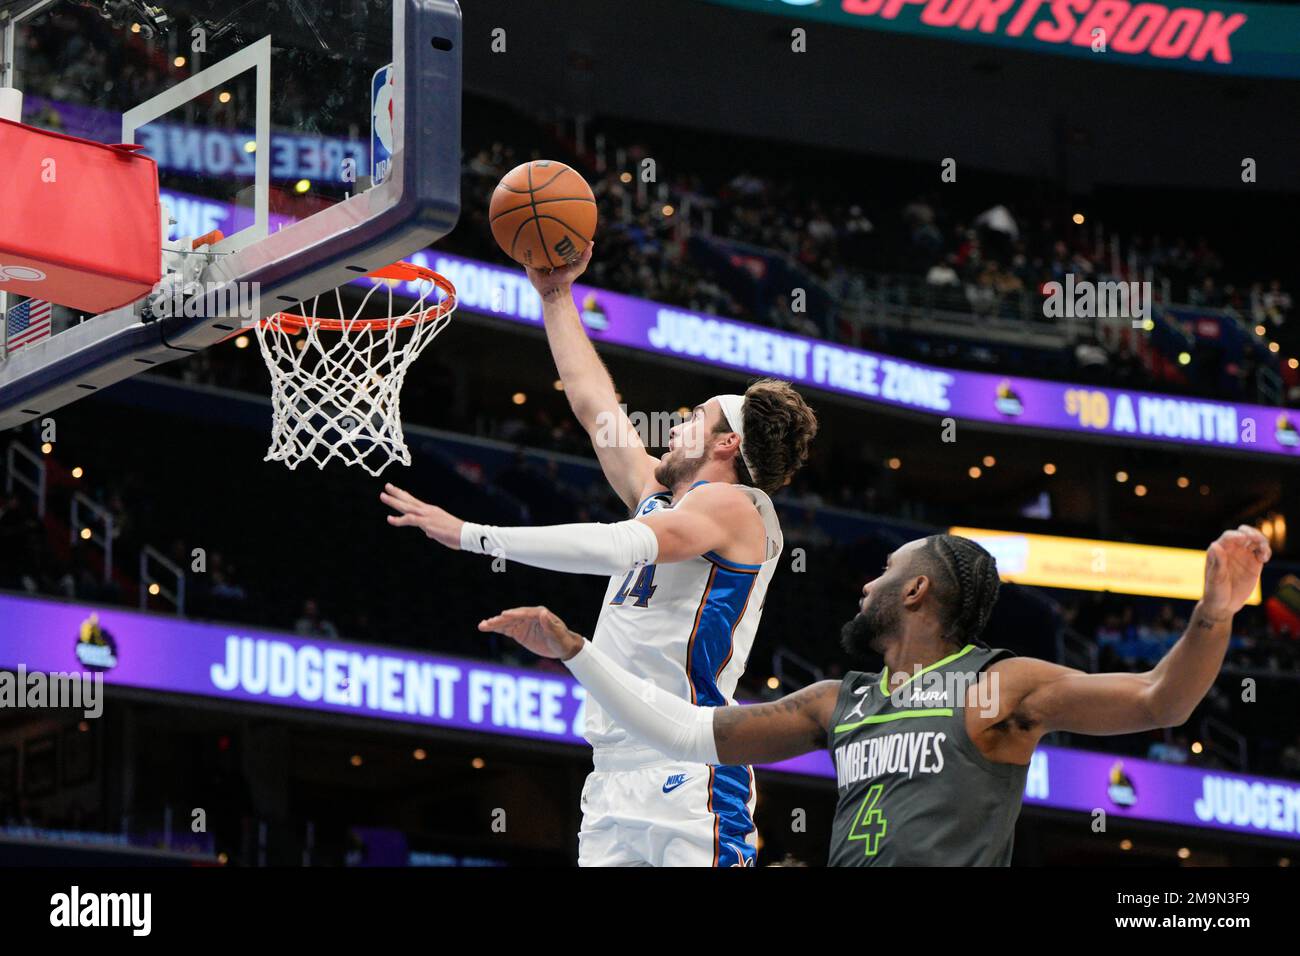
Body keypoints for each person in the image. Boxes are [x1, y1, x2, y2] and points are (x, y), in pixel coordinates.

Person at [382, 243, 819, 867]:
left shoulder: (738, 507)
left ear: (726, 443)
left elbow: (624, 544)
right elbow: (597, 411)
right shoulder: (655, 494)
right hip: (613, 768)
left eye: (692, 418)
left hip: (688, 766)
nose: (674, 424)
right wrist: (556, 298)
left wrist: (475, 534)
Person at [479, 528, 1270, 866]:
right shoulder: (835, 701)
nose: (866, 585)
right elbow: (686, 733)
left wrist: (1213, 614)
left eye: (883, 572)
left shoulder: (998, 684)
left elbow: (1160, 700)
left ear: (917, 589)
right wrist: (578, 653)